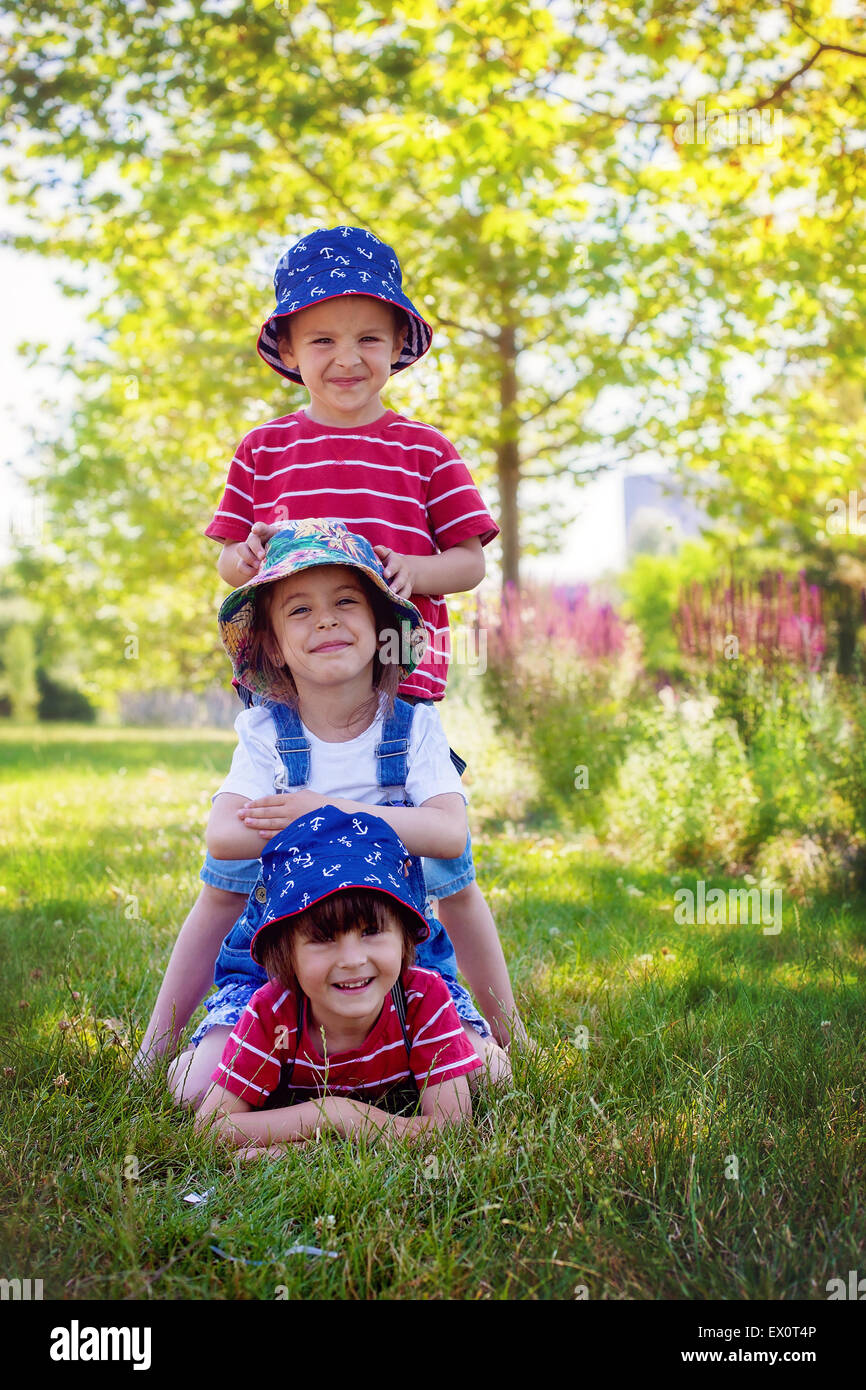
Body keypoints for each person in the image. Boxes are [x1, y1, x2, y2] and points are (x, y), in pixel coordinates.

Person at [136, 225, 522, 1073]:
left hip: (397, 676)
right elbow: (235, 553)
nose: (347, 358)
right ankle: (179, 1035)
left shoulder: (423, 449)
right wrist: (238, 560)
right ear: (287, 348)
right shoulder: (265, 449)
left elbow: (468, 560)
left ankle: (502, 1031)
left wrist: (412, 566)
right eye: (323, 340)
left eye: (367, 339)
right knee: (234, 873)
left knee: (449, 876)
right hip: (292, 695)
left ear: (398, 347)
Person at [153, 520, 512, 1104]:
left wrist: (323, 813)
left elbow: (448, 834)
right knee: (192, 1090)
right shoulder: (267, 732)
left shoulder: (413, 728)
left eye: (347, 601)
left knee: (492, 1078)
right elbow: (222, 837)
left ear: (380, 628)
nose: (325, 619)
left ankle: (355, 1061)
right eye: (299, 610)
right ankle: (317, 1062)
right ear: (271, 642)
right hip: (279, 970)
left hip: (397, 965)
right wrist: (341, 820)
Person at [195, 807, 482, 1154]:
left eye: (372, 931)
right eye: (323, 938)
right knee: (188, 1086)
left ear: (405, 936)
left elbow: (450, 1129)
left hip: (404, 1058)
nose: (352, 960)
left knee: (495, 1074)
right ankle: (193, 1058)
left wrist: (343, 1119)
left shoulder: (424, 999)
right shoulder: (272, 1012)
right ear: (286, 952)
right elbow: (211, 1127)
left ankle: (484, 1047)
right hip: (299, 1069)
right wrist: (326, 1114)